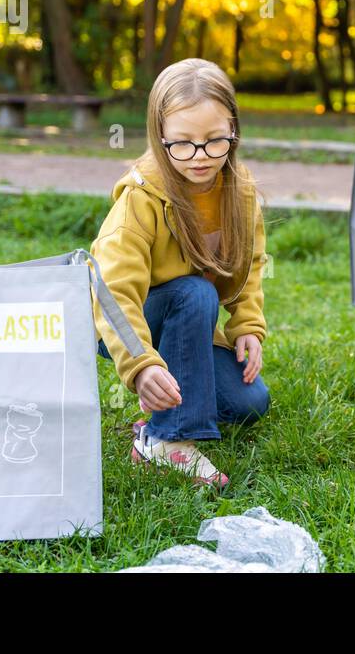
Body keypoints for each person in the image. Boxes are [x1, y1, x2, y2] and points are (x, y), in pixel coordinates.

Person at [90, 59, 270, 489]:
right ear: (160, 137)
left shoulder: (239, 194)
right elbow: (112, 291)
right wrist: (141, 364)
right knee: (194, 293)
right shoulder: (140, 199)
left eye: (214, 141)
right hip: (130, 323)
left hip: (191, 323)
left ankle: (163, 409)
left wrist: (247, 325)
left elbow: (252, 264)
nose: (200, 156)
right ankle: (169, 440)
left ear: (233, 132)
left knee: (250, 403)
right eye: (183, 144)